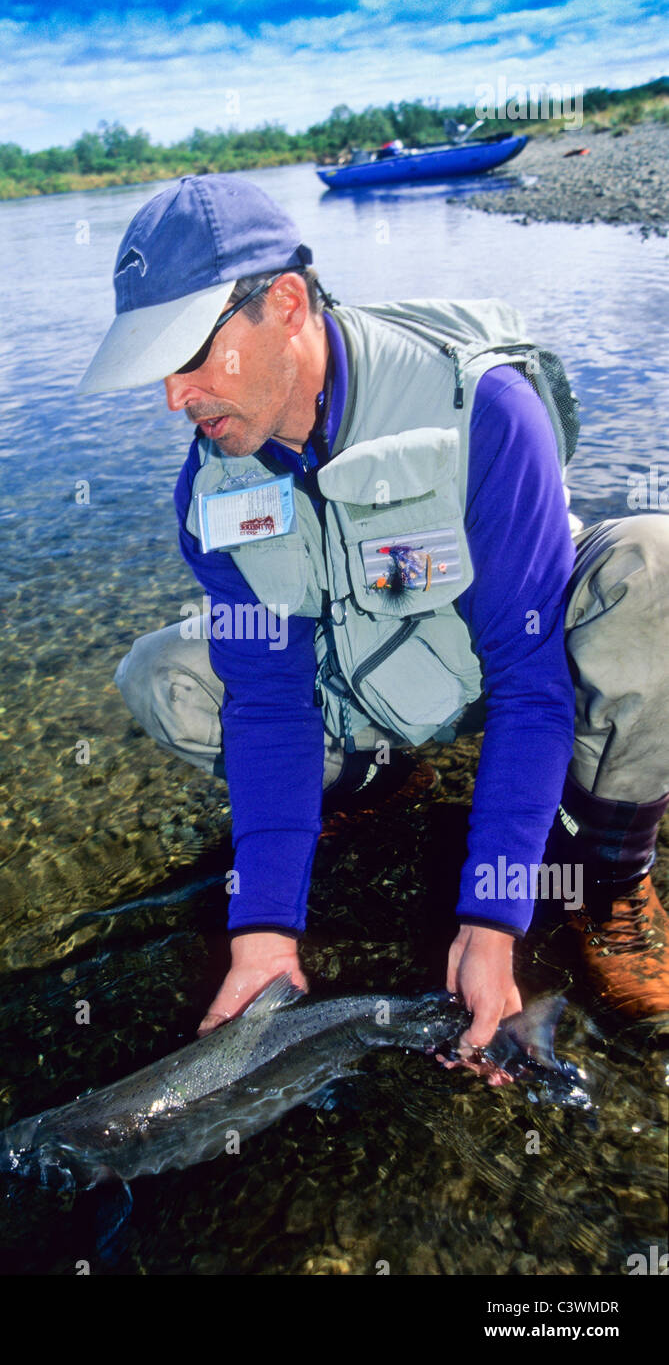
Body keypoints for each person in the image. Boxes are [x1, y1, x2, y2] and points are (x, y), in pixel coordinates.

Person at [78, 173, 669, 1061]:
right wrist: (264, 928)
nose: (174, 396)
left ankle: (611, 875)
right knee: (165, 677)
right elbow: (269, 701)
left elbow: (530, 682)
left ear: (284, 302)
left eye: (190, 354)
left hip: (510, 650)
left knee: (655, 569)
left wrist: (491, 918)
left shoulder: (485, 406)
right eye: (158, 365)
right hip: (367, 678)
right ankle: (379, 781)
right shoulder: (211, 486)